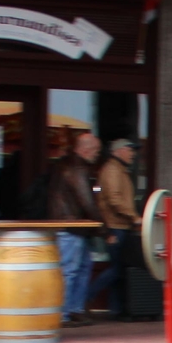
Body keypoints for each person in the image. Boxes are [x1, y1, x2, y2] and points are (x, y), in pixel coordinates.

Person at [44, 129, 101, 326]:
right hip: (70, 226)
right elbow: (87, 201)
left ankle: (74, 309)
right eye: (96, 150)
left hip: (73, 227)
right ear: (85, 150)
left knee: (82, 267)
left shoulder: (66, 165)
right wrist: (103, 228)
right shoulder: (77, 168)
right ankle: (64, 313)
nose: (97, 154)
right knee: (69, 270)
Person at [87, 137, 141, 319]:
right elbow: (114, 200)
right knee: (118, 269)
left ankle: (116, 309)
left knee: (120, 269)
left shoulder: (119, 169)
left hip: (120, 225)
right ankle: (88, 296)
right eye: (129, 149)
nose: (132, 153)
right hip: (115, 226)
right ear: (119, 151)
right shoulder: (112, 170)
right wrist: (134, 217)